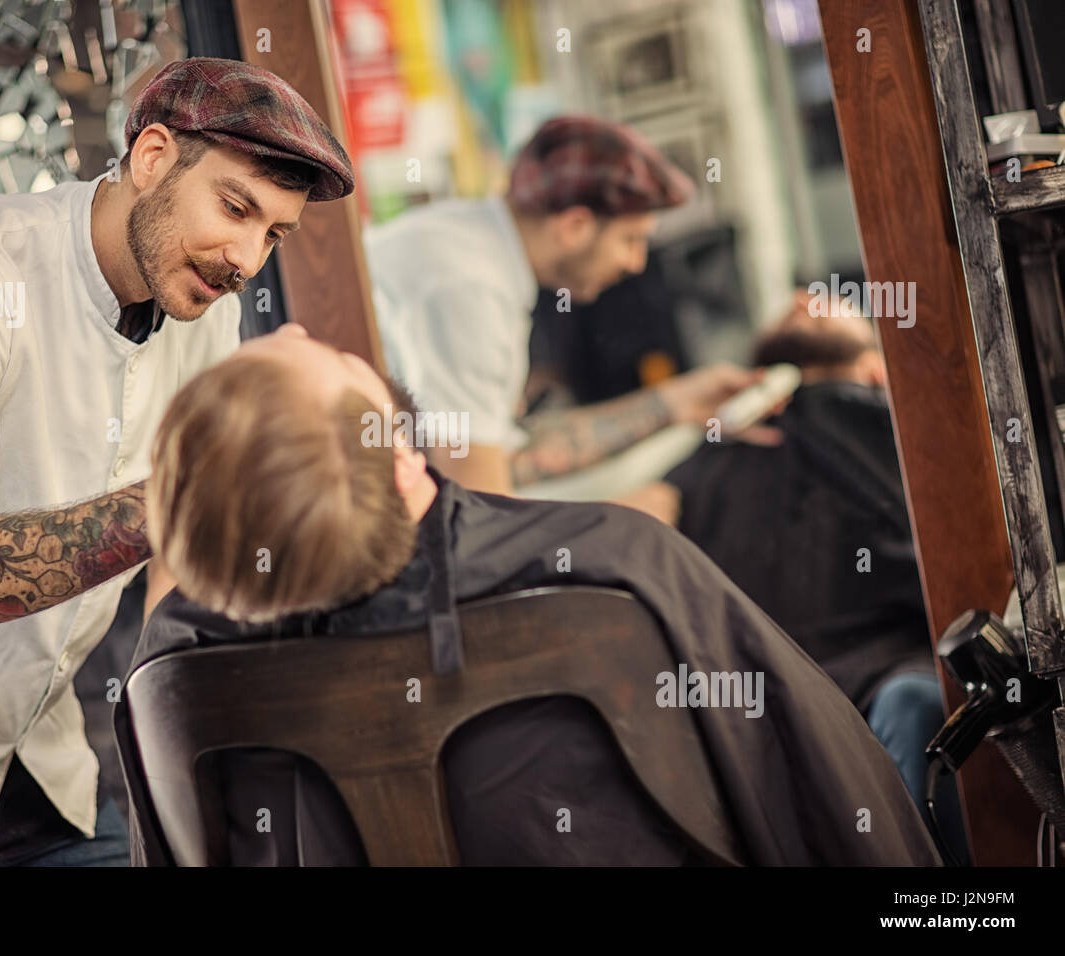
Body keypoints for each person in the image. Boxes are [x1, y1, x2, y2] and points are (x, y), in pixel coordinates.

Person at [0, 57, 354, 867]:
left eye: (274, 234)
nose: (247, 259)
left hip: (41, 763)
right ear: (152, 157)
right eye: (234, 207)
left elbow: (175, 569)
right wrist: (191, 492)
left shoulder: (204, 314)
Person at [131, 322, 942, 866]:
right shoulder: (616, 566)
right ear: (404, 461)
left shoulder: (174, 669)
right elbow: (839, 811)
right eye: (310, 358)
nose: (291, 327)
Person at [649, 294, 969, 863]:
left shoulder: (907, 435)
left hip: (885, 678)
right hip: (761, 695)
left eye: (833, 301)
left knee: (913, 705)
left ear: (876, 367)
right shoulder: (716, 453)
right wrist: (671, 411)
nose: (803, 297)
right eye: (796, 299)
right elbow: (621, 526)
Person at [363, 115, 761, 500]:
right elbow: (480, 507)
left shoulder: (475, 247)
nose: (636, 263)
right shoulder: (474, 290)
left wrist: (675, 403)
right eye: (630, 240)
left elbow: (506, 455)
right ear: (574, 227)